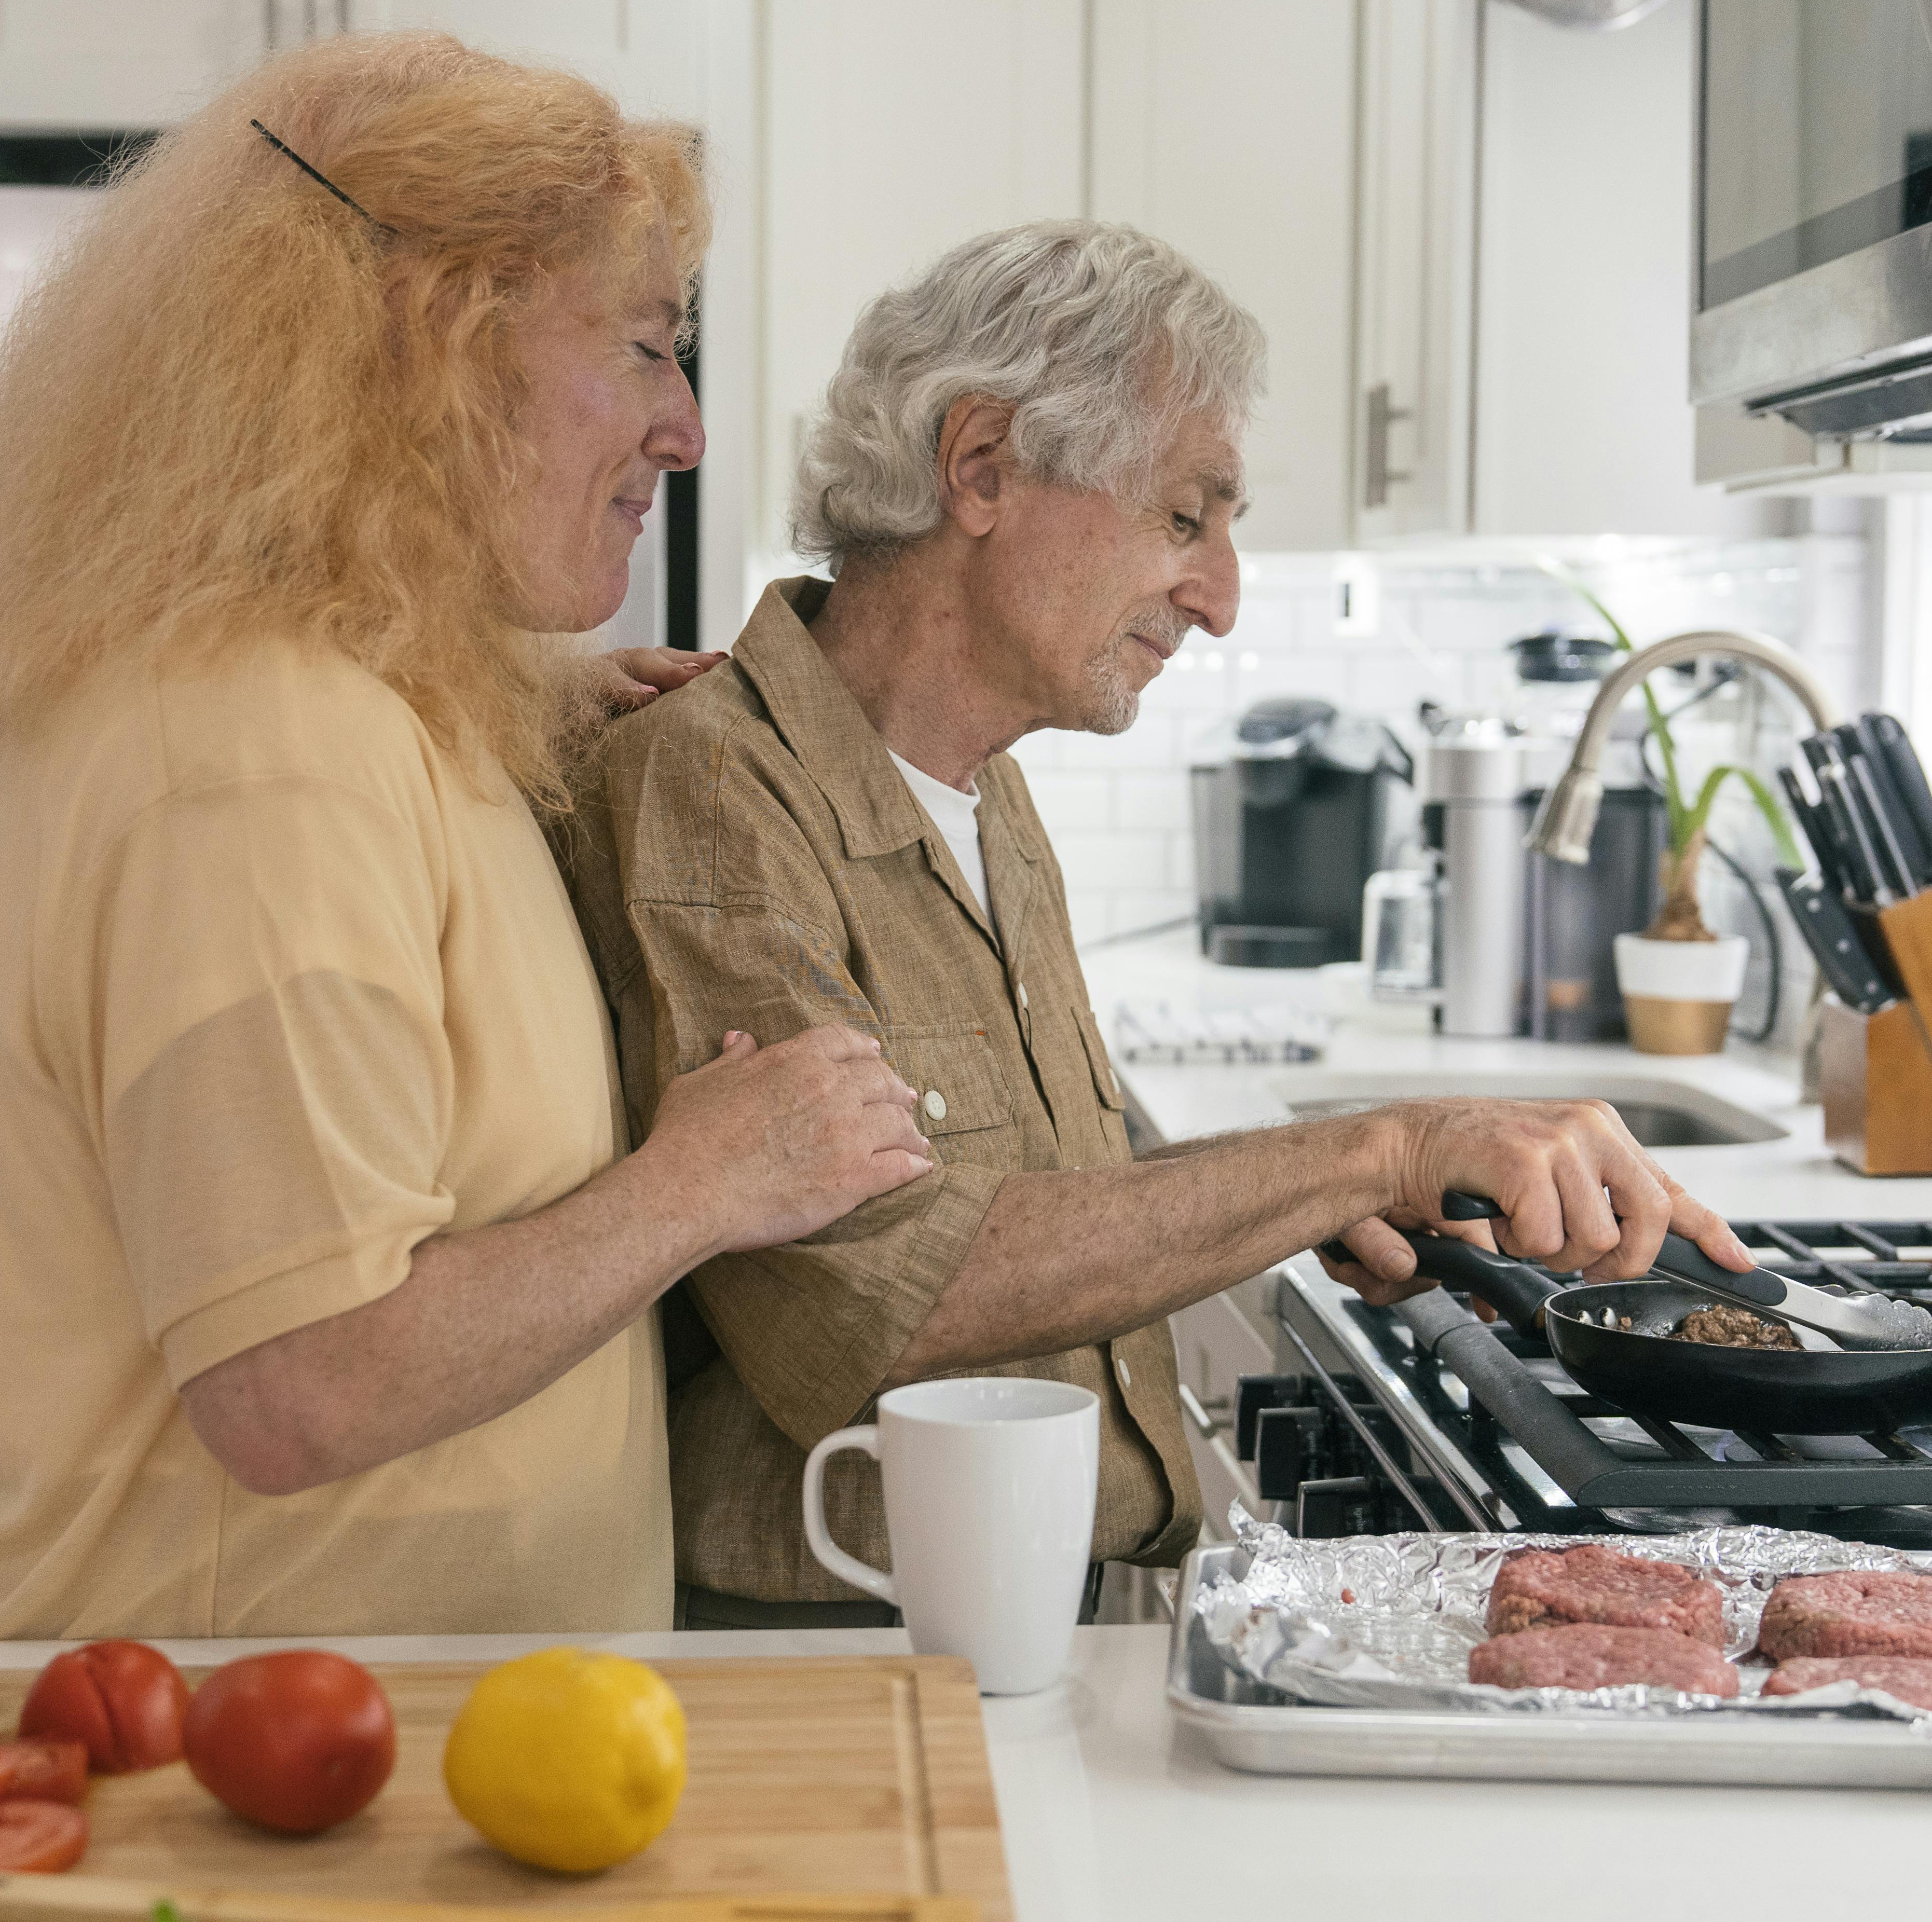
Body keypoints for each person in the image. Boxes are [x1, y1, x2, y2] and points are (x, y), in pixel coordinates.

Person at [0, 32, 933, 1641]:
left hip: (375, 1759)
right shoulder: (257, 754)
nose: (686, 427)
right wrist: (705, 1182)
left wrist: (533, 705)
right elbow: (300, 1383)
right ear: (428, 350)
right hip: (204, 1779)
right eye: (645, 348)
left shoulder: (360, 688)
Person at [565, 221, 1751, 1627]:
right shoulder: (718, 785)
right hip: (857, 1648)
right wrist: (1372, 1145)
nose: (1223, 597)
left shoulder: (982, 789)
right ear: (983, 467)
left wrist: (1331, 1195)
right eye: (1185, 519)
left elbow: (1055, 1184)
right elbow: (876, 1301)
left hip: (1035, 1615)